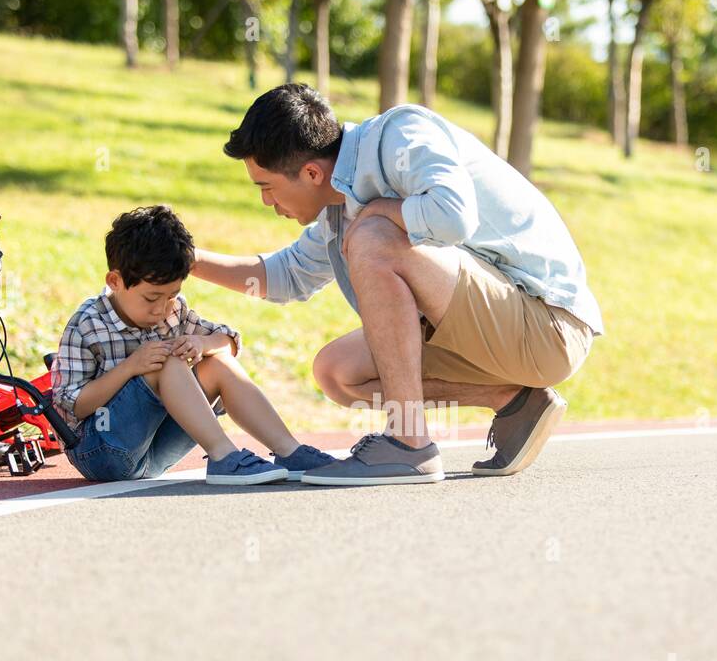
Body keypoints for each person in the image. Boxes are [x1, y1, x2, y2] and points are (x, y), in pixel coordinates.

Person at [191, 83, 602, 486]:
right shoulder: (340, 205)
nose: (266, 202)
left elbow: (455, 216)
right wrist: (187, 261)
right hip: (500, 334)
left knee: (373, 239)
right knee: (337, 372)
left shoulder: (400, 135)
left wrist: (382, 212)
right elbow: (284, 277)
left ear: (312, 172)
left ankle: (408, 444)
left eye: (267, 187)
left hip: (550, 323)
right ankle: (513, 399)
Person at [50, 205, 335, 485]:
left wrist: (202, 343)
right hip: (102, 452)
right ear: (115, 281)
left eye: (172, 295)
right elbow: (73, 405)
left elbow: (229, 341)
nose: (162, 308)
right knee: (167, 361)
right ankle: (224, 456)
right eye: (151, 298)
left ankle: (289, 451)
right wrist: (130, 368)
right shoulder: (88, 323)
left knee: (215, 360)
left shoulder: (173, 311)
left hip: (155, 451)